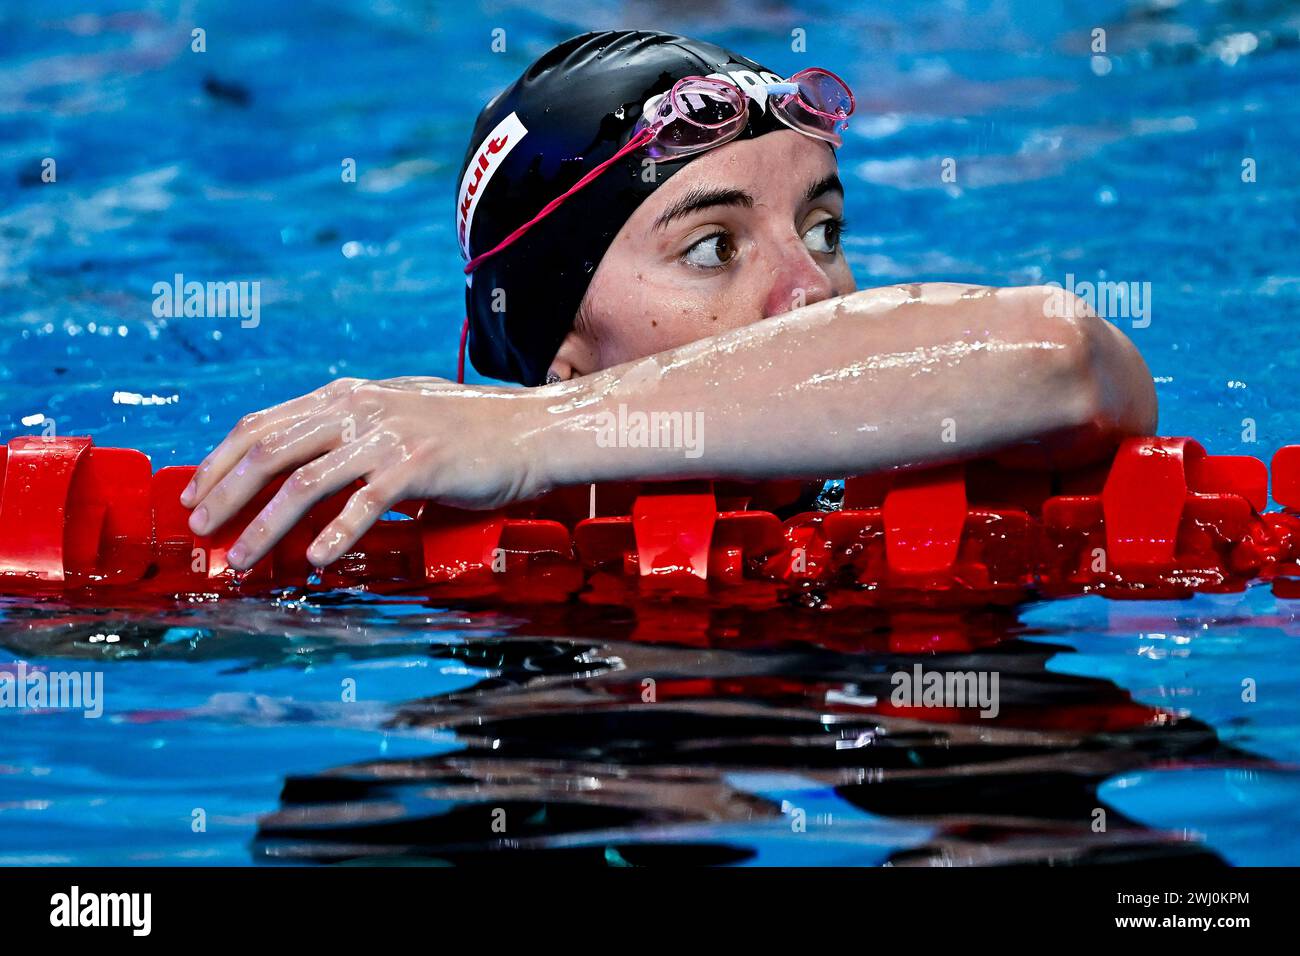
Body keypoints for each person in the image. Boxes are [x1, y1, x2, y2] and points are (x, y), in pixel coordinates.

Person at [178, 30, 1156, 572]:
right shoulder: (446, 579)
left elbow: (1059, 356)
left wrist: (533, 432)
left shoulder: (948, 451)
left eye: (822, 231)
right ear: (560, 344)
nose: (811, 289)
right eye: (712, 247)